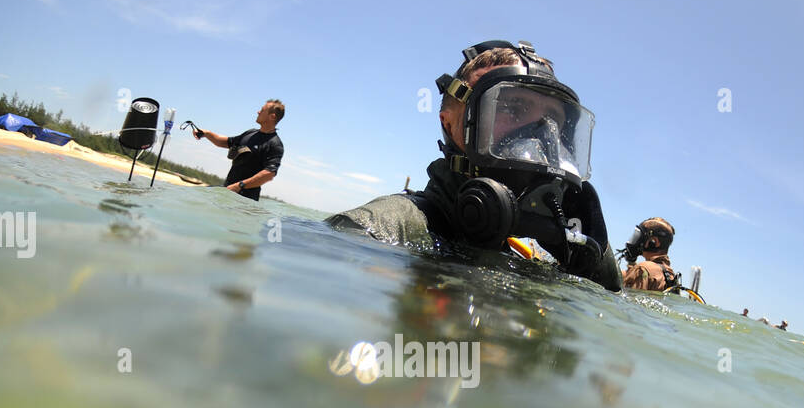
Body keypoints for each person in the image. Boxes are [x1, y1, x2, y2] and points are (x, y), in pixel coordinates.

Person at [327, 40, 622, 291]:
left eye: (552, 122)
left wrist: (590, 257)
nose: (540, 137)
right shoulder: (383, 228)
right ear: (450, 122)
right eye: (513, 108)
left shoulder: (521, 258)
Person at [192, 99, 285, 200]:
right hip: (228, 190)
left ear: (272, 116)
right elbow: (223, 142)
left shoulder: (275, 145)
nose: (258, 112)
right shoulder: (251, 133)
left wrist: (240, 185)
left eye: (262, 110)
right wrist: (206, 133)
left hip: (245, 200)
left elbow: (269, 174)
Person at [620, 217, 680, 292]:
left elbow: (629, 301)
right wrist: (631, 262)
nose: (637, 241)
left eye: (640, 237)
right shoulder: (671, 275)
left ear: (654, 242)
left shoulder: (642, 268)